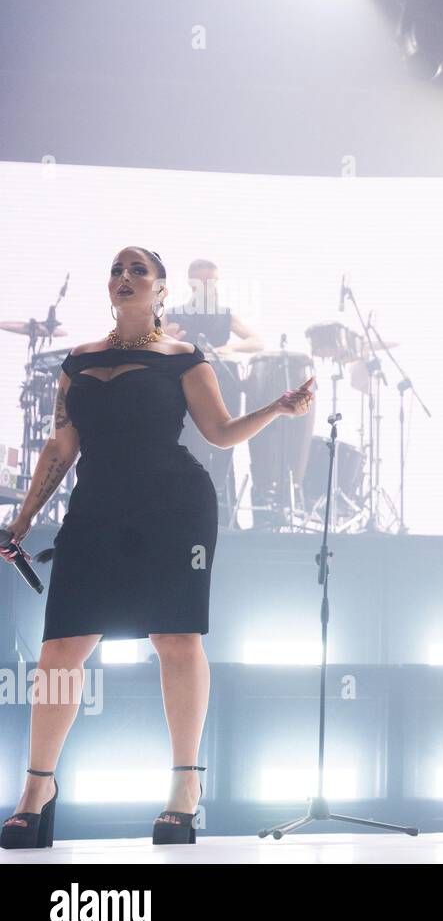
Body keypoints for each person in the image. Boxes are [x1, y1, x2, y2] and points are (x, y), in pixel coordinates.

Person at [0, 247, 315, 849]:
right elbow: (60, 450)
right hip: (95, 509)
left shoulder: (183, 358)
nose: (124, 277)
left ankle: (184, 788)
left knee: (175, 637)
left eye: (137, 270)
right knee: (61, 649)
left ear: (161, 290)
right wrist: (20, 524)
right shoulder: (78, 361)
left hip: (174, 508)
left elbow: (220, 433)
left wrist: (277, 408)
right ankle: (37, 789)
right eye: (116, 270)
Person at [161, 259, 266, 526]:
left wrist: (229, 351)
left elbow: (257, 341)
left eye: (213, 282)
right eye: (204, 281)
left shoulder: (225, 314)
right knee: (188, 446)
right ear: (191, 283)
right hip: (184, 386)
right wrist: (168, 337)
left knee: (224, 447)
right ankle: (184, 515)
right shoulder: (173, 314)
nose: (210, 287)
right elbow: (152, 340)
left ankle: (223, 518)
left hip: (224, 384)